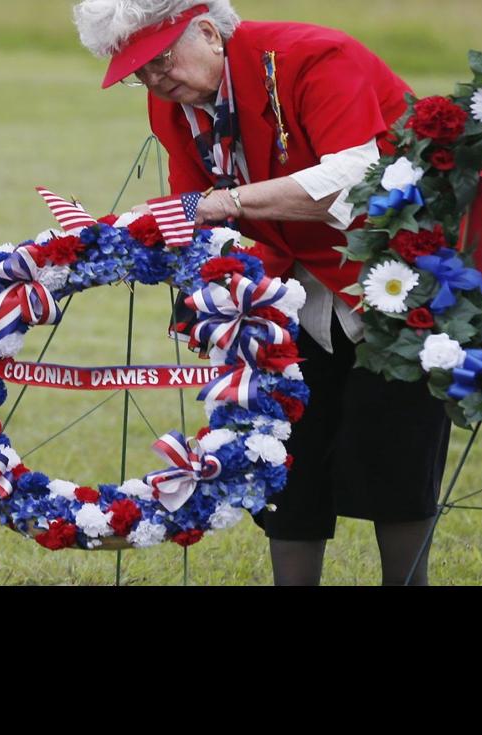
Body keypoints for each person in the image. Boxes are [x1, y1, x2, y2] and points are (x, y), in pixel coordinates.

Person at [73, 0, 453, 585]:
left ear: (206, 30)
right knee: (281, 453)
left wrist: (222, 202)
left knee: (394, 448)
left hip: (396, 272)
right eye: (138, 73)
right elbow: (196, 213)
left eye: (160, 60)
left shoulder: (314, 56)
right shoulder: (173, 104)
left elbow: (355, 180)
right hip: (284, 286)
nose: (154, 80)